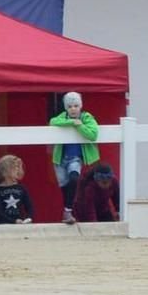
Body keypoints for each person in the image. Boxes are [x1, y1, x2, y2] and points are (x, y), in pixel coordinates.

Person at [49, 92, 101, 223]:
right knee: (65, 187)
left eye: (76, 106)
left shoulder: (86, 117)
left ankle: (67, 211)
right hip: (60, 158)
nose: (73, 109)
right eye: (70, 106)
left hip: (75, 158)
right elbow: (53, 121)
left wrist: (79, 125)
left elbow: (93, 134)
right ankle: (68, 213)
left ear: (80, 106)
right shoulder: (64, 116)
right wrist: (72, 122)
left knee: (74, 179)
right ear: (66, 108)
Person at [0, 154, 33, 224]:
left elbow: (29, 207)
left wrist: (29, 218)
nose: (17, 169)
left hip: (19, 224)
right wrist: (13, 221)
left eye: (18, 167)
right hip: (2, 225)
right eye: (15, 167)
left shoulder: (21, 188)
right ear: (6, 171)